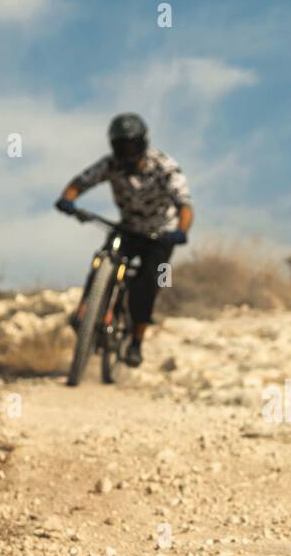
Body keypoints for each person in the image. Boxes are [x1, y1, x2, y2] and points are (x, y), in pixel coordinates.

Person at [55, 113, 193, 367]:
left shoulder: (165, 167)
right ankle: (85, 313)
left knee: (150, 283)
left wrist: (181, 231)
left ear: (143, 142)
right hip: (128, 228)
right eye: (122, 146)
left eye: (132, 144)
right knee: (103, 258)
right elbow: (80, 182)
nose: (127, 151)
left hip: (160, 234)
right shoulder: (110, 165)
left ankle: (136, 343)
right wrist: (68, 200)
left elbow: (184, 205)